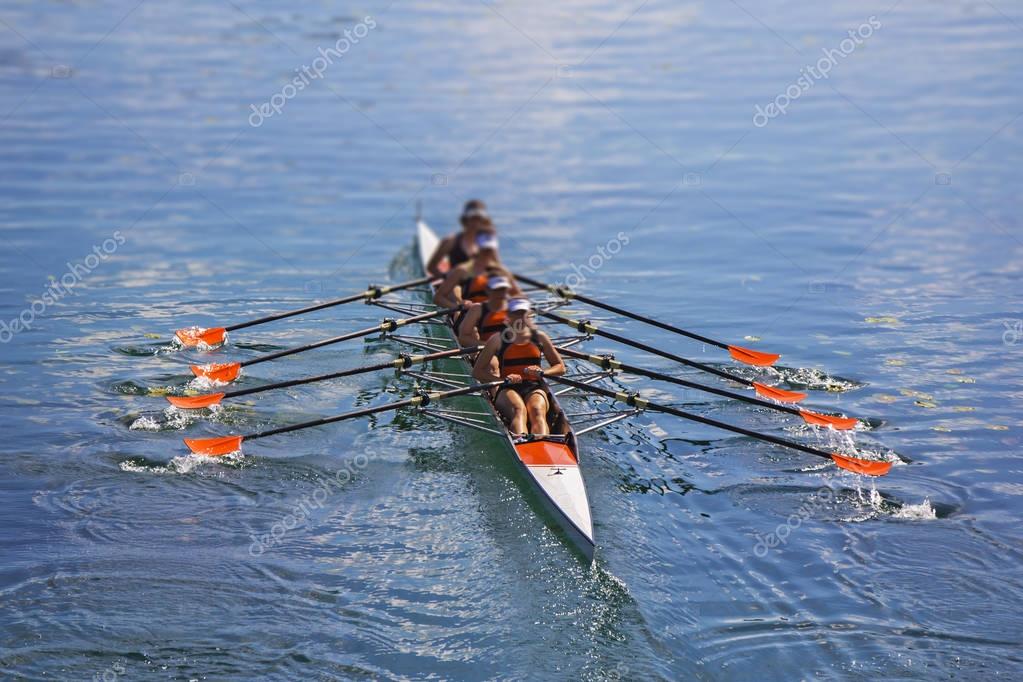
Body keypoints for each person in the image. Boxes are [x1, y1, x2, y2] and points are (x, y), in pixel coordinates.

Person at [472, 298, 565, 436]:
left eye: (523, 313)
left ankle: (542, 444)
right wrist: (503, 380)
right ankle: (522, 442)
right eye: (516, 313)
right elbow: (477, 372)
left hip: (534, 386)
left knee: (537, 410)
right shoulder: (497, 340)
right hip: (507, 388)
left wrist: (542, 372)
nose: (520, 318)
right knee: (518, 410)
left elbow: (560, 367)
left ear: (529, 315)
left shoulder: (540, 337)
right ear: (508, 316)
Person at [433, 232, 518, 309]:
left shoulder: (502, 271)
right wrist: (458, 307)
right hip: (470, 313)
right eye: (484, 249)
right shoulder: (461, 270)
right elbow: (438, 298)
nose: (487, 253)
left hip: (496, 311)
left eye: (490, 249)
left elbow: (518, 294)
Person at [425, 200, 492, 277]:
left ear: (484, 221)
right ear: (465, 220)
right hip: (457, 285)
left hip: (478, 284)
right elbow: (431, 268)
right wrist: (445, 277)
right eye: (473, 219)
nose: (476, 223)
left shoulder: (486, 243)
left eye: (479, 219)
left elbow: (493, 265)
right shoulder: (450, 241)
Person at [457, 275, 511, 347]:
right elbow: (463, 338)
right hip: (489, 352)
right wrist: (490, 347)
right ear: (488, 290)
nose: (500, 293)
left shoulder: (516, 309)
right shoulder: (477, 309)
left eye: (503, 289)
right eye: (496, 290)